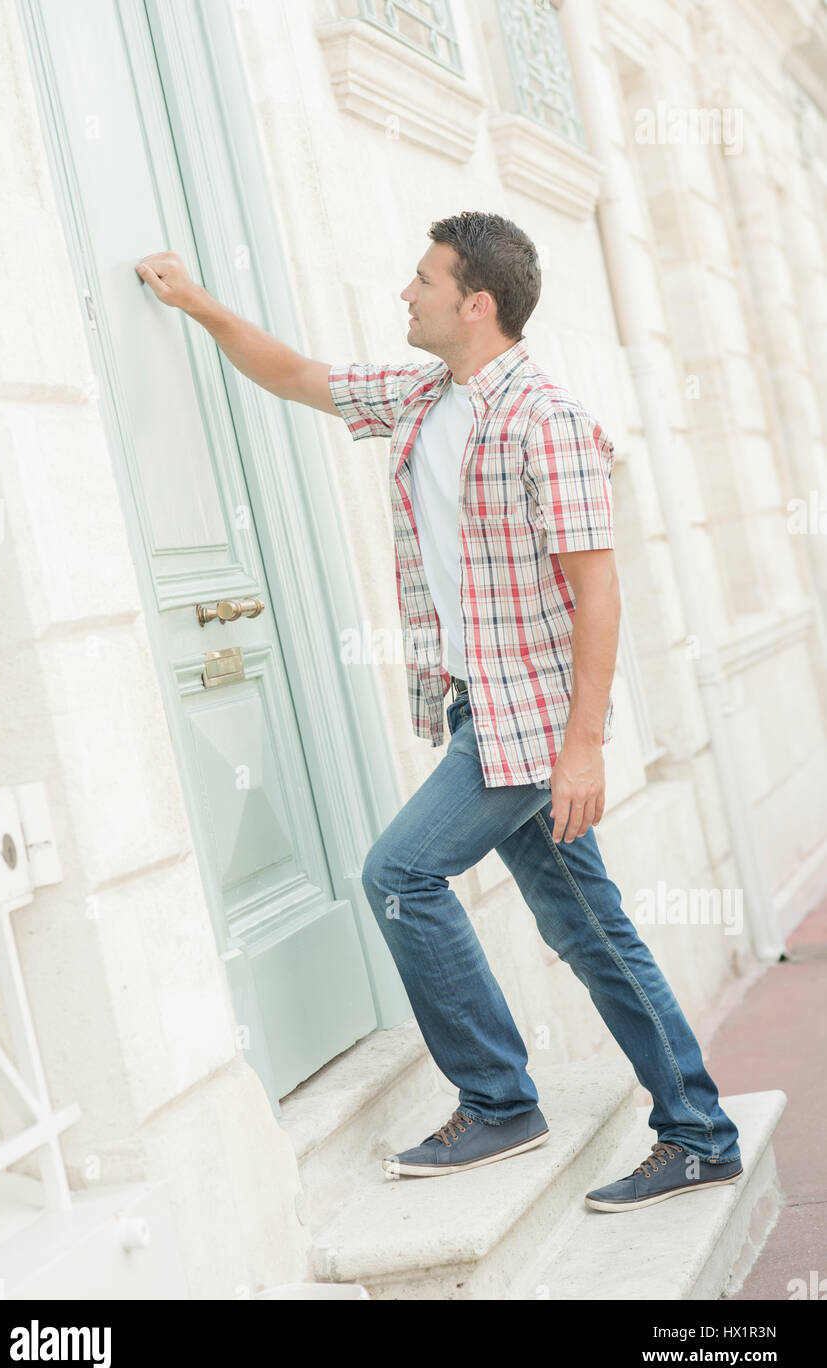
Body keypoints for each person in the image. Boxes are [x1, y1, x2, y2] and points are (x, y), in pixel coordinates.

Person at [135, 210, 742, 1211]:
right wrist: (197, 303)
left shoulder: (543, 420)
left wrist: (582, 745)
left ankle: (500, 1097)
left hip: (536, 727)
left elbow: (600, 591)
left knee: (401, 876)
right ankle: (698, 1132)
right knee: (592, 929)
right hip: (485, 714)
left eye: (421, 280)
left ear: (477, 302)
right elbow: (296, 375)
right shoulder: (422, 399)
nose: (402, 294)